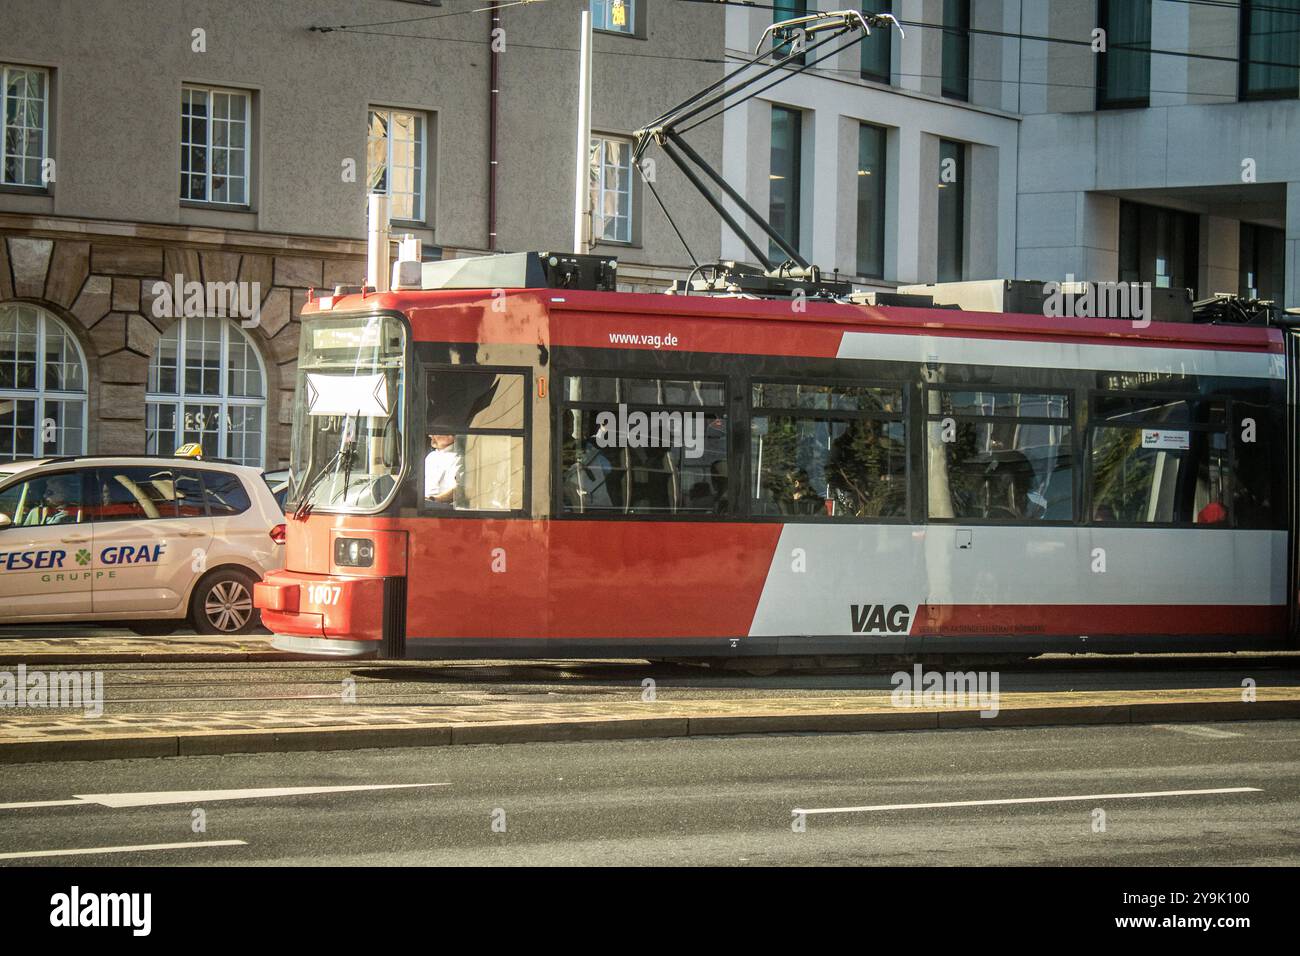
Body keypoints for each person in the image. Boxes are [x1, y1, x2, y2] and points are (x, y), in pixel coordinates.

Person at [424, 433, 463, 506]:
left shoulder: (459, 457)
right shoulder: (431, 456)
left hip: (443, 508)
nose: (430, 435)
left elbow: (460, 489)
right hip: (425, 504)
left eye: (436, 432)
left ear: (451, 436)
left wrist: (435, 499)